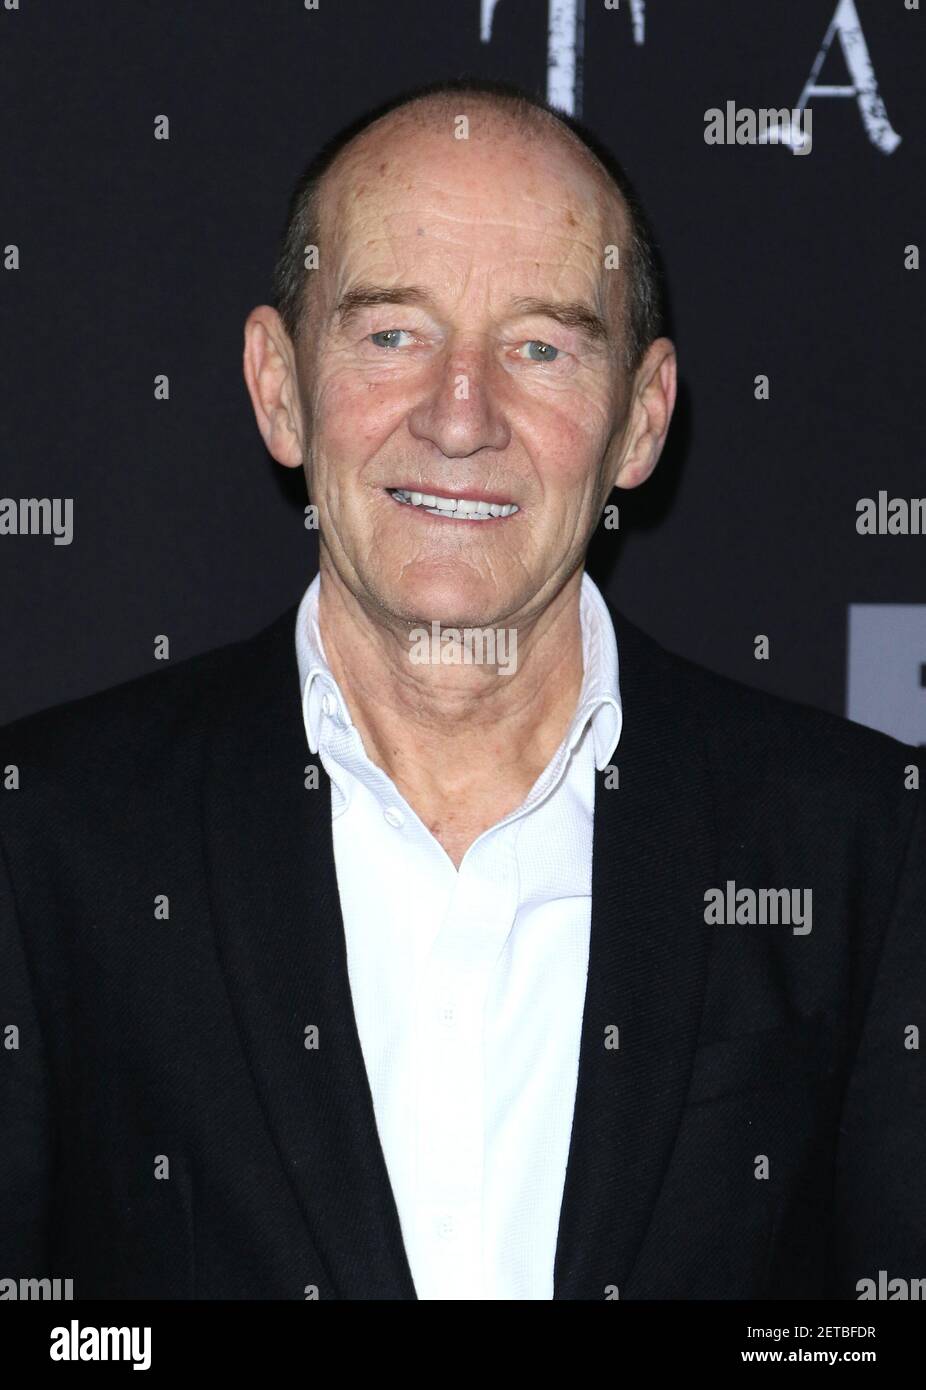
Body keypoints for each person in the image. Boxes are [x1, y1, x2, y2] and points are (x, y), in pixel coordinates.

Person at [1, 80, 923, 1301]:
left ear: (639, 425)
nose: (458, 415)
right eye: (392, 335)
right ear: (278, 387)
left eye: (537, 347)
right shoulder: (48, 840)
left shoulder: (859, 841)